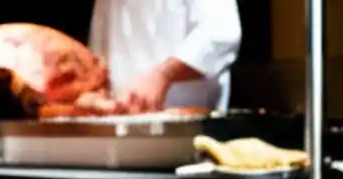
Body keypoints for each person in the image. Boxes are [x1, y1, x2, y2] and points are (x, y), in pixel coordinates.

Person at [88, 0, 242, 113]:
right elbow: (99, 59)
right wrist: (97, 96)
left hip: (191, 129)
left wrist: (163, 76)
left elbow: (221, 33)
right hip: (122, 128)